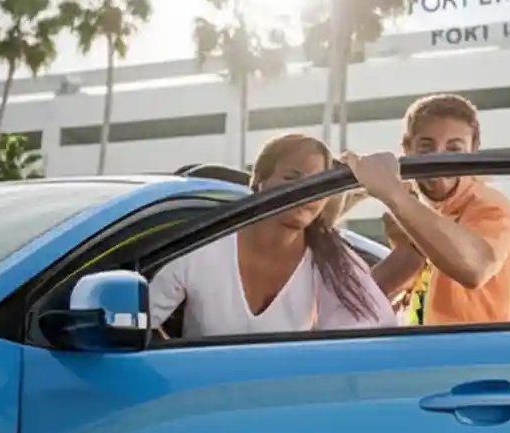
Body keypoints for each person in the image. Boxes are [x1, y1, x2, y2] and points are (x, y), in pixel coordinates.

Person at [148, 133, 395, 338]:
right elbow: (139, 327)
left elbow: (372, 329)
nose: (306, 192)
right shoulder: (202, 249)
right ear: (260, 182)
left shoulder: (332, 261)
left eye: (319, 184)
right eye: (291, 178)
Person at [345, 93, 510, 325]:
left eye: (454, 149)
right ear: (406, 149)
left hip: (477, 357)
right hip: (425, 353)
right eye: (426, 147)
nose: (439, 159)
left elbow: (474, 268)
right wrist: (351, 188)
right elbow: (373, 298)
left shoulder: (493, 208)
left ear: (473, 151)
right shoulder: (418, 211)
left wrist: (393, 194)